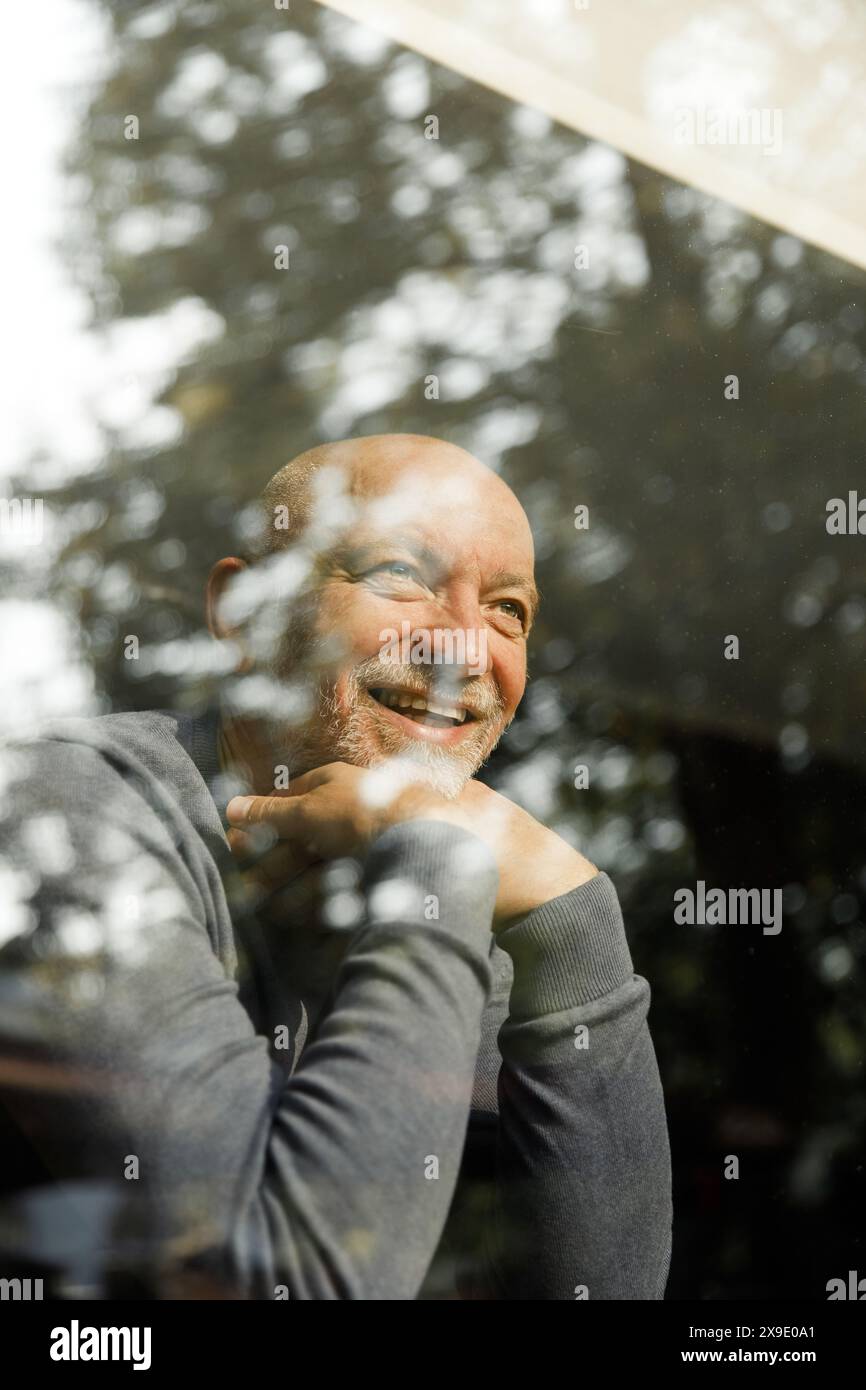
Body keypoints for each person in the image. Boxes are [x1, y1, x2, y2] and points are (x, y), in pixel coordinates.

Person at [0, 433, 672, 1299]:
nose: (465, 649)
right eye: (400, 572)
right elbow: (281, 1280)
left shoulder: (477, 928)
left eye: (508, 608)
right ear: (242, 610)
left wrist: (576, 920)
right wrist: (436, 864)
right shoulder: (69, 807)